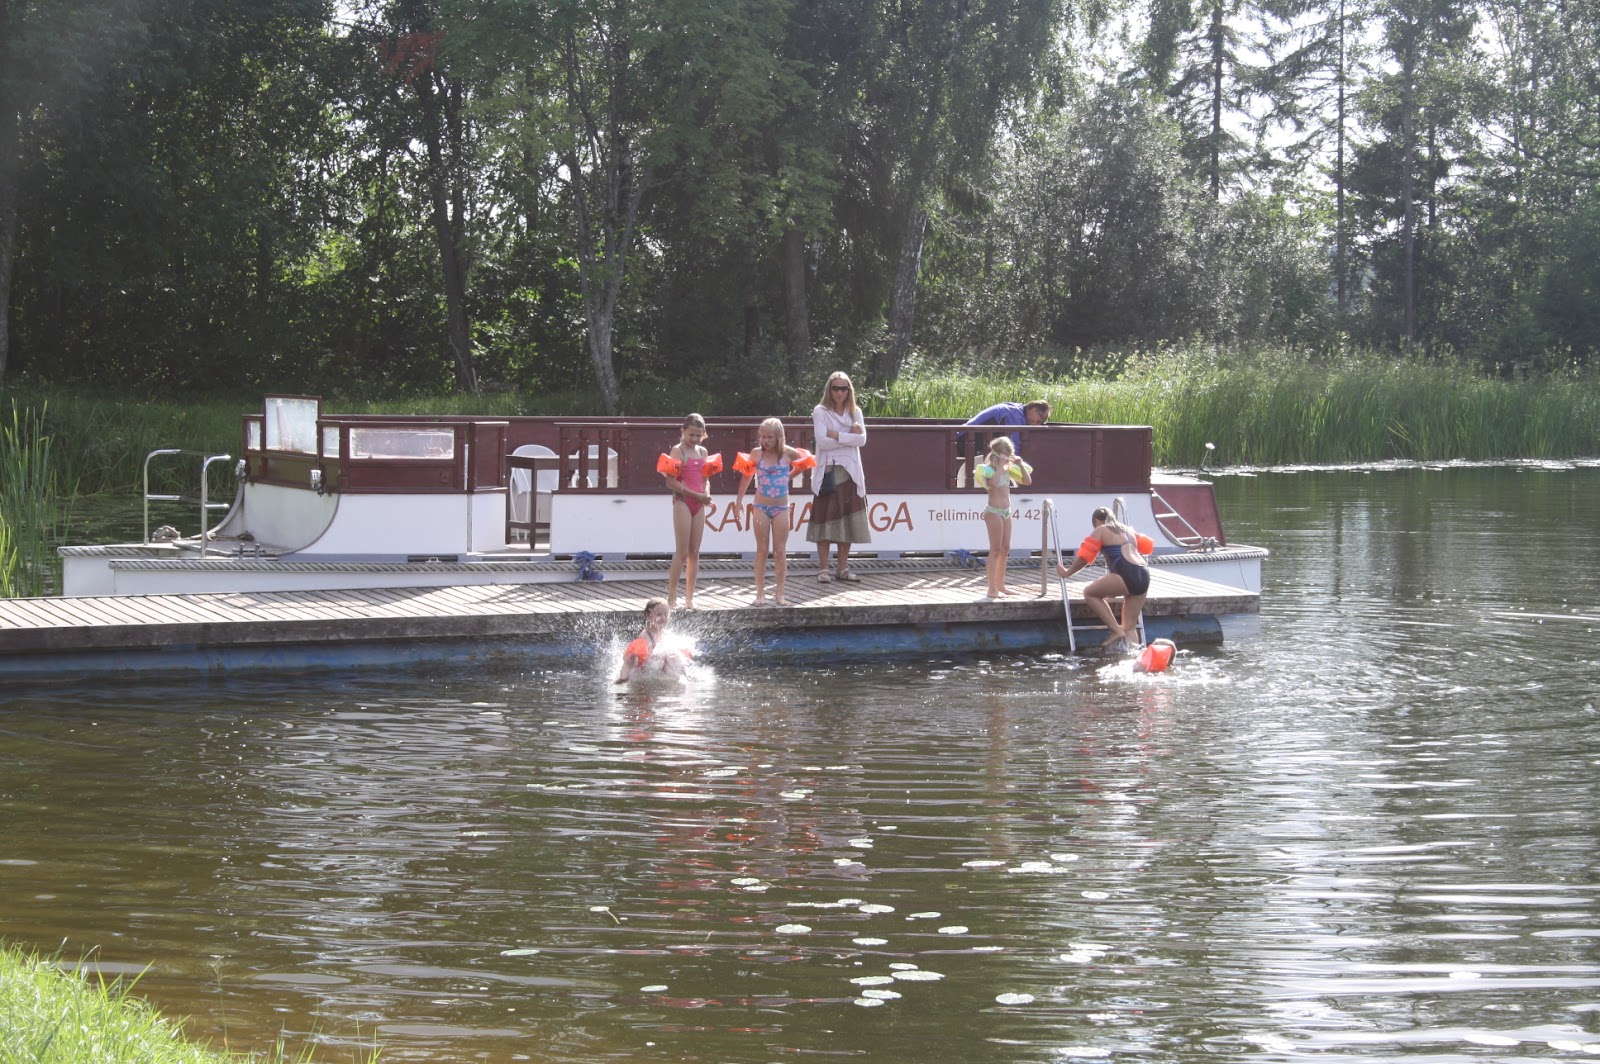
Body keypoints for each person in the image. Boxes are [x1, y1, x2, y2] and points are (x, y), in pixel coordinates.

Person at [734, 418, 815, 607]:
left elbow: (806, 464)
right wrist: (738, 502)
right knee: (762, 550)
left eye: (770, 437)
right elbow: (746, 478)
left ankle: (779, 594)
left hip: (782, 508)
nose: (765, 440)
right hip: (761, 506)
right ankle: (760, 594)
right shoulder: (756, 454)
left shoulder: (788, 453)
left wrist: (789, 475)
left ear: (779, 437)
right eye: (763, 437)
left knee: (780, 551)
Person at [1056, 504, 1154, 653]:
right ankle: (1135, 659)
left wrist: (1067, 573)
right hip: (1144, 575)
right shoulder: (1129, 530)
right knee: (1130, 627)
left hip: (1126, 574)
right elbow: (1147, 547)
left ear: (1096, 520)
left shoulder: (1100, 530)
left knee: (1090, 593)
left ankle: (1115, 630)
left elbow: (1084, 558)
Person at [806, 371, 871, 583]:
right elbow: (822, 442)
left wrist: (838, 435)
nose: (840, 392)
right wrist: (849, 436)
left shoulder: (856, 412)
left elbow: (862, 440)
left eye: (844, 388)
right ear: (829, 389)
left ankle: (842, 569)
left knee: (848, 521)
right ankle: (823, 569)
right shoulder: (820, 411)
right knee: (824, 521)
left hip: (851, 473)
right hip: (828, 471)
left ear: (849, 390)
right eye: (836, 388)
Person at [657, 413, 723, 610]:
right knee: (682, 551)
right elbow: (670, 480)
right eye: (691, 435)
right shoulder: (678, 451)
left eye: (697, 436)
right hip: (683, 501)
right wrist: (694, 494)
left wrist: (706, 495)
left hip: (699, 503)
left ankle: (690, 598)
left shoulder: (703, 452)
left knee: (695, 552)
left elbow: (706, 479)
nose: (694, 439)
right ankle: (672, 597)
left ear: (703, 435)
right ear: (683, 431)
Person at [974, 435, 1032, 600]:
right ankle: (991, 588)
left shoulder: (1008, 470)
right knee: (995, 549)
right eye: (1005, 456)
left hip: (1006, 512)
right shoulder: (988, 470)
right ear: (998, 455)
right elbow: (992, 484)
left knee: (1005, 548)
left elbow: (1027, 482)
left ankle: (1001, 585)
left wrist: (1020, 465)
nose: (1007, 459)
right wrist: (999, 465)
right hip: (993, 511)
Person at [615, 598, 691, 683]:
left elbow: (679, 660)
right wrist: (623, 678)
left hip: (661, 677)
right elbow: (629, 661)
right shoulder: (644, 637)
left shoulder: (667, 635)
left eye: (666, 615)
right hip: (644, 680)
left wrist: (687, 675)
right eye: (659, 615)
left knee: (673, 654)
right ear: (648, 616)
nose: (663, 618)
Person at [961, 399, 1052, 449]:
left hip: (973, 443)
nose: (1040, 424)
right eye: (1041, 419)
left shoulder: (1018, 411)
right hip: (962, 442)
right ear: (1033, 410)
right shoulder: (1014, 415)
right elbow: (1013, 448)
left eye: (1043, 422)